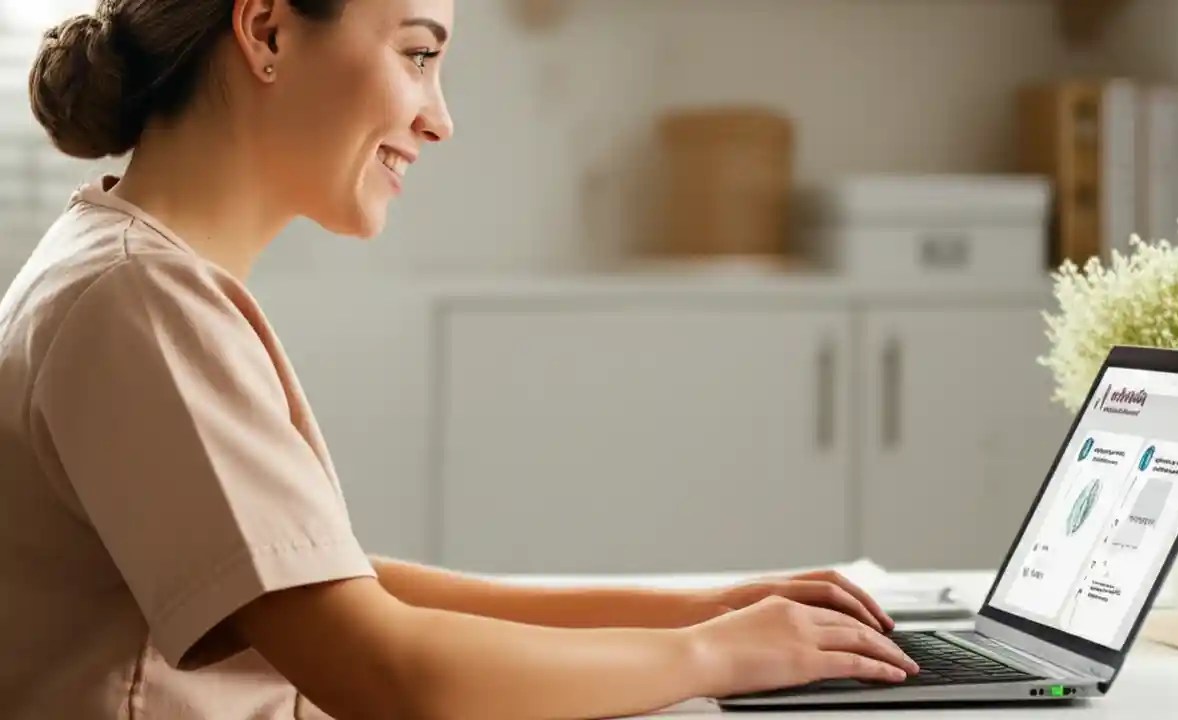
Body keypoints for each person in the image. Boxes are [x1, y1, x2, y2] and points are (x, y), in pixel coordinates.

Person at [0, 1, 919, 718]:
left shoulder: (127, 272)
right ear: (267, 30)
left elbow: (336, 589)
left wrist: (699, 612)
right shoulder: (140, 303)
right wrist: (722, 656)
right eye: (418, 53)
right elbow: (386, 675)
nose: (439, 120)